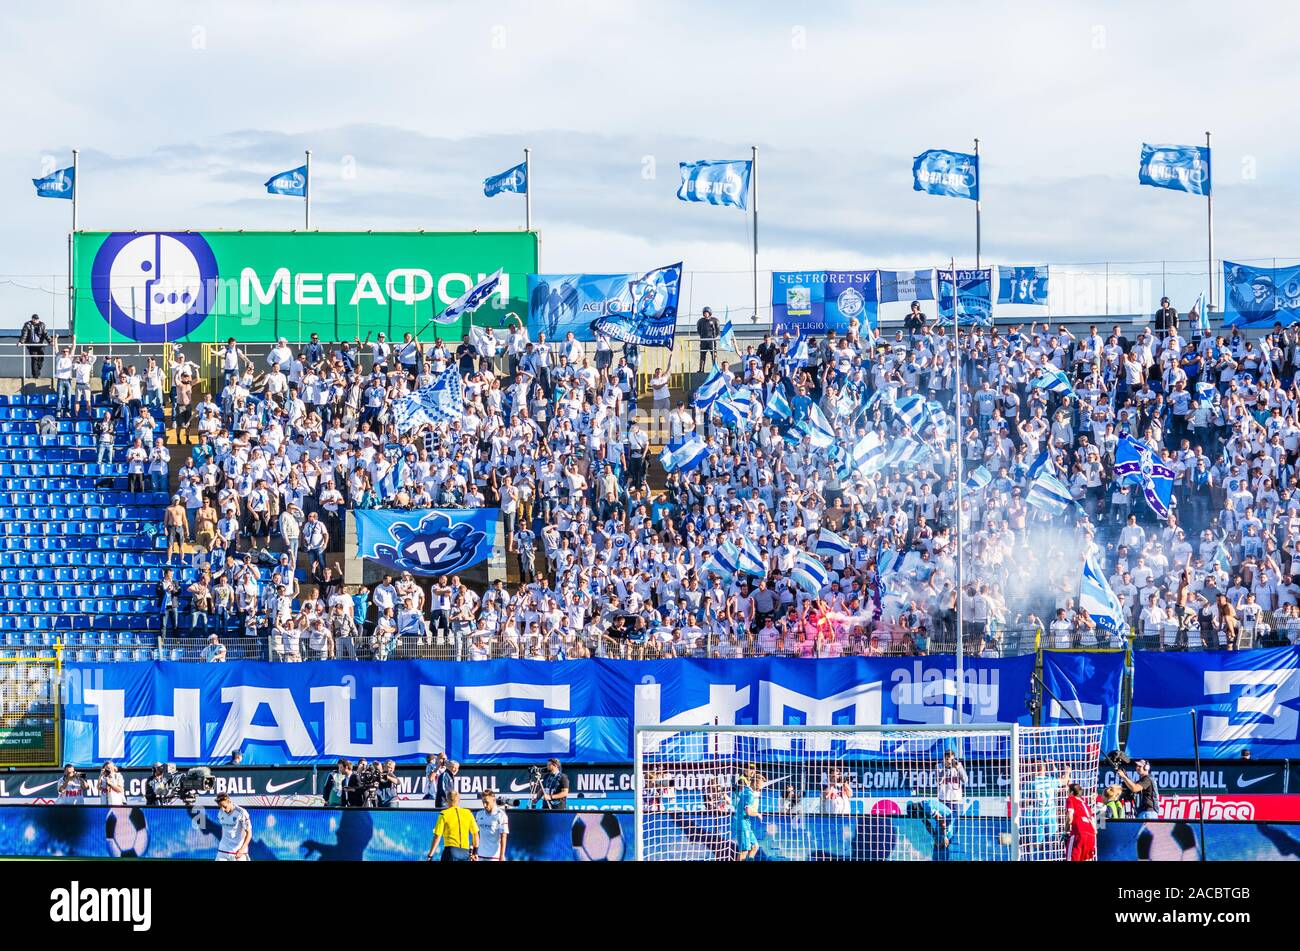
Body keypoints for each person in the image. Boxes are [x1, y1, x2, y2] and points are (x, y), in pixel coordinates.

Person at [427, 789, 479, 862]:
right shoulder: (468, 813)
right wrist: (475, 853)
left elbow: (437, 837)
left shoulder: (444, 814)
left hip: (450, 852)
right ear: (459, 800)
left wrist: (430, 855)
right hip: (465, 852)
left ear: (446, 800)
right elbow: (475, 834)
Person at [214, 792, 252, 861]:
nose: (223, 809)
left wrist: (242, 850)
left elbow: (249, 833)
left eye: (224, 806)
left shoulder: (241, 812)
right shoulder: (220, 813)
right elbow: (224, 829)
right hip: (223, 850)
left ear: (229, 801)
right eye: (220, 806)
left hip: (238, 852)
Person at [475, 788, 510, 861]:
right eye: (483, 802)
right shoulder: (479, 814)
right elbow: (476, 834)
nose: (484, 805)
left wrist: (502, 855)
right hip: (480, 855)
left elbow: (504, 836)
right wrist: (474, 852)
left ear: (493, 800)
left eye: (487, 802)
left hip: (494, 857)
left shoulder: (501, 815)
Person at [731, 774, 760, 861]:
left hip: (746, 824)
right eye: (760, 785)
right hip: (742, 825)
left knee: (755, 846)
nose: (761, 787)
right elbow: (748, 811)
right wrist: (758, 814)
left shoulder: (745, 791)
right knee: (744, 851)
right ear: (755, 783)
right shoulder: (749, 794)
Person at [1065, 782, 1097, 861]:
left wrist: (1065, 831)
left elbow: (1070, 817)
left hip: (1079, 833)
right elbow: (1095, 828)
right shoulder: (1086, 804)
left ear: (1072, 792)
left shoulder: (1071, 799)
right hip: (1091, 836)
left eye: (1068, 791)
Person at [19, 313, 50, 379]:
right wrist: (21, 342)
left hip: (40, 344)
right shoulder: (28, 324)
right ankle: (36, 375)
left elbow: (45, 334)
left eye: (37, 319)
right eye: (34, 319)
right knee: (34, 359)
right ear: (32, 319)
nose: (36, 320)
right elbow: (24, 334)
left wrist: (50, 341)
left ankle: (37, 371)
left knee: (41, 359)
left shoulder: (42, 324)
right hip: (32, 344)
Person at [697, 305, 720, 372]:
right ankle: (701, 369)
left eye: (707, 313)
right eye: (704, 313)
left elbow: (717, 330)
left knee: (713, 355)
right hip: (703, 341)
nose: (705, 314)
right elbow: (699, 330)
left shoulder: (715, 320)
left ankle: (715, 369)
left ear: (709, 313)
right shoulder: (700, 321)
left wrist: (713, 337)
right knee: (702, 355)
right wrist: (703, 337)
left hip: (711, 341)